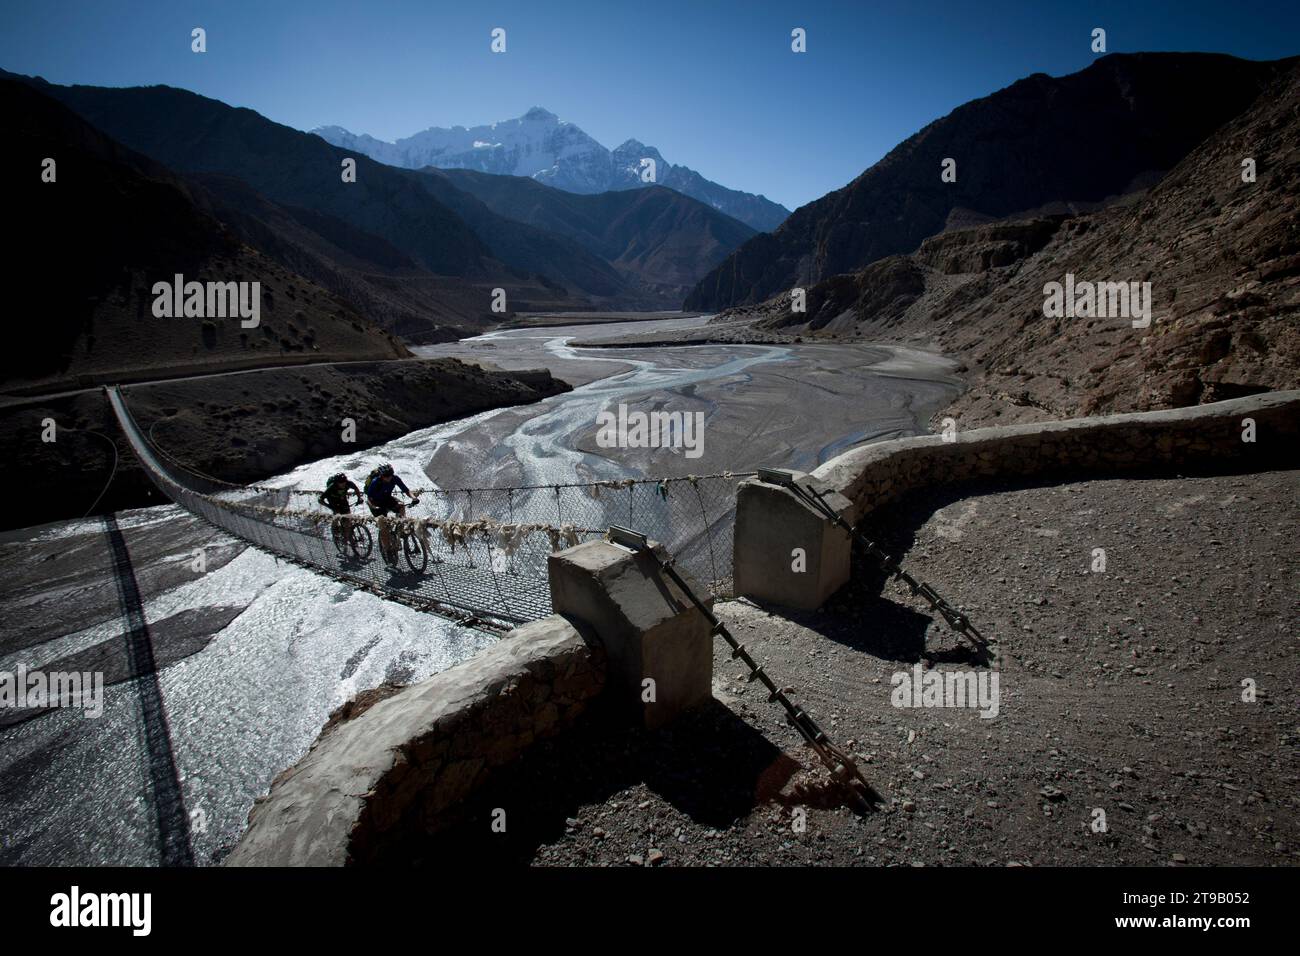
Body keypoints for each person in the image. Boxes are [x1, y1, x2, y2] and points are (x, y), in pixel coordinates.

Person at [365, 463, 420, 564]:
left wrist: (414, 498)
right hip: (375, 503)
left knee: (401, 506)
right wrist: (374, 507)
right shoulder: (375, 482)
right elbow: (368, 499)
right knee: (384, 527)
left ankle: (402, 526)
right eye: (386, 476)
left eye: (391, 475)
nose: (389, 478)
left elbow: (406, 490)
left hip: (387, 499)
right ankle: (387, 551)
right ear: (381, 476)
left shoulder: (395, 478)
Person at [319, 472, 363, 552]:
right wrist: (330, 507)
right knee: (338, 514)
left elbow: (356, 488)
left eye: (344, 482)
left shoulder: (348, 483)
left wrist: (359, 498)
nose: (343, 484)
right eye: (341, 483)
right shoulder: (331, 488)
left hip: (342, 500)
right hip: (333, 502)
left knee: (348, 518)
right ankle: (335, 529)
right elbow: (320, 499)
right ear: (336, 483)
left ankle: (348, 534)